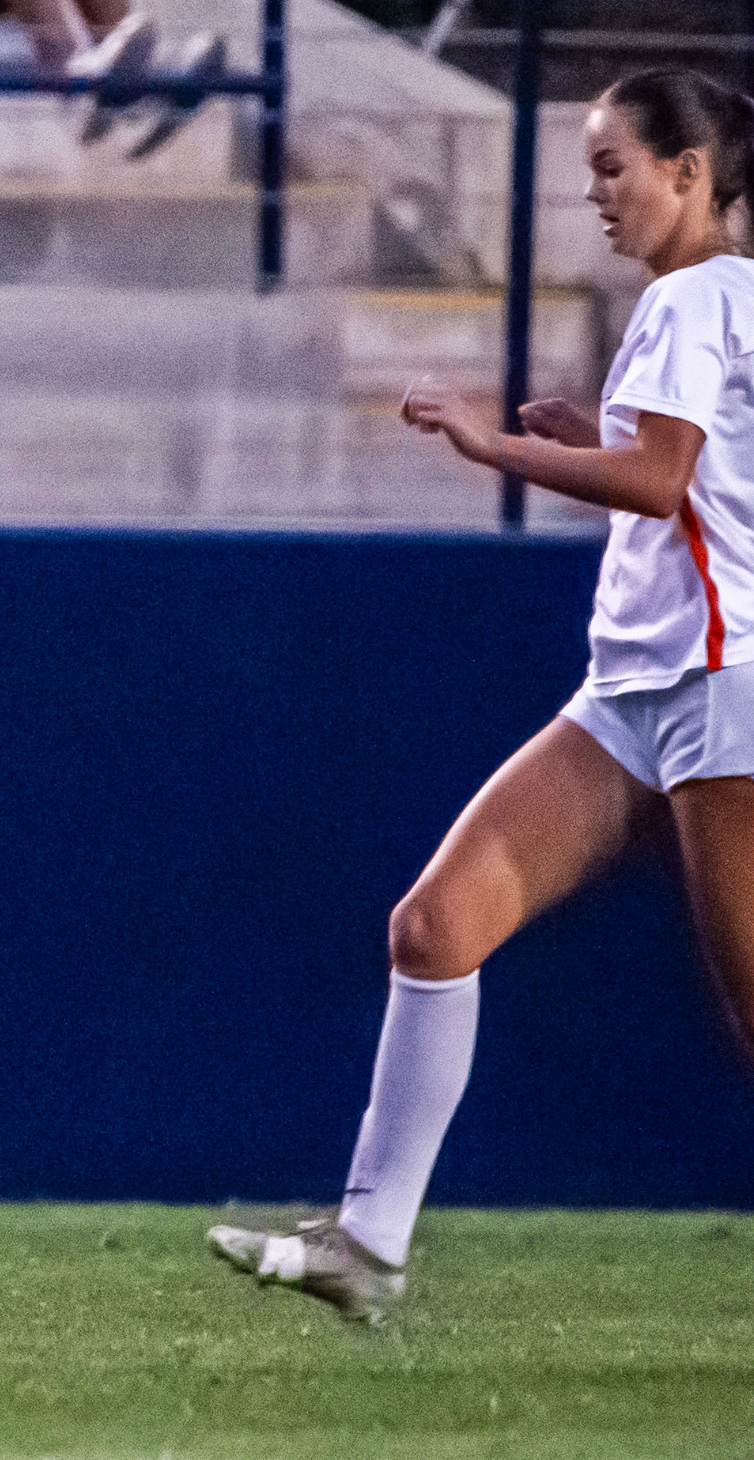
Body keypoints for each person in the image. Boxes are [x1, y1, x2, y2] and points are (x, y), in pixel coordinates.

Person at [208, 68, 754, 1323]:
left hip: (716, 681)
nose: (593, 190)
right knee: (432, 926)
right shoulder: (706, 301)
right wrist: (583, 432)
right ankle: (367, 1242)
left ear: (687, 172)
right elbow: (683, 473)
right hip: (633, 687)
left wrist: (493, 441)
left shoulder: (693, 296)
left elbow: (663, 482)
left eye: (613, 164)